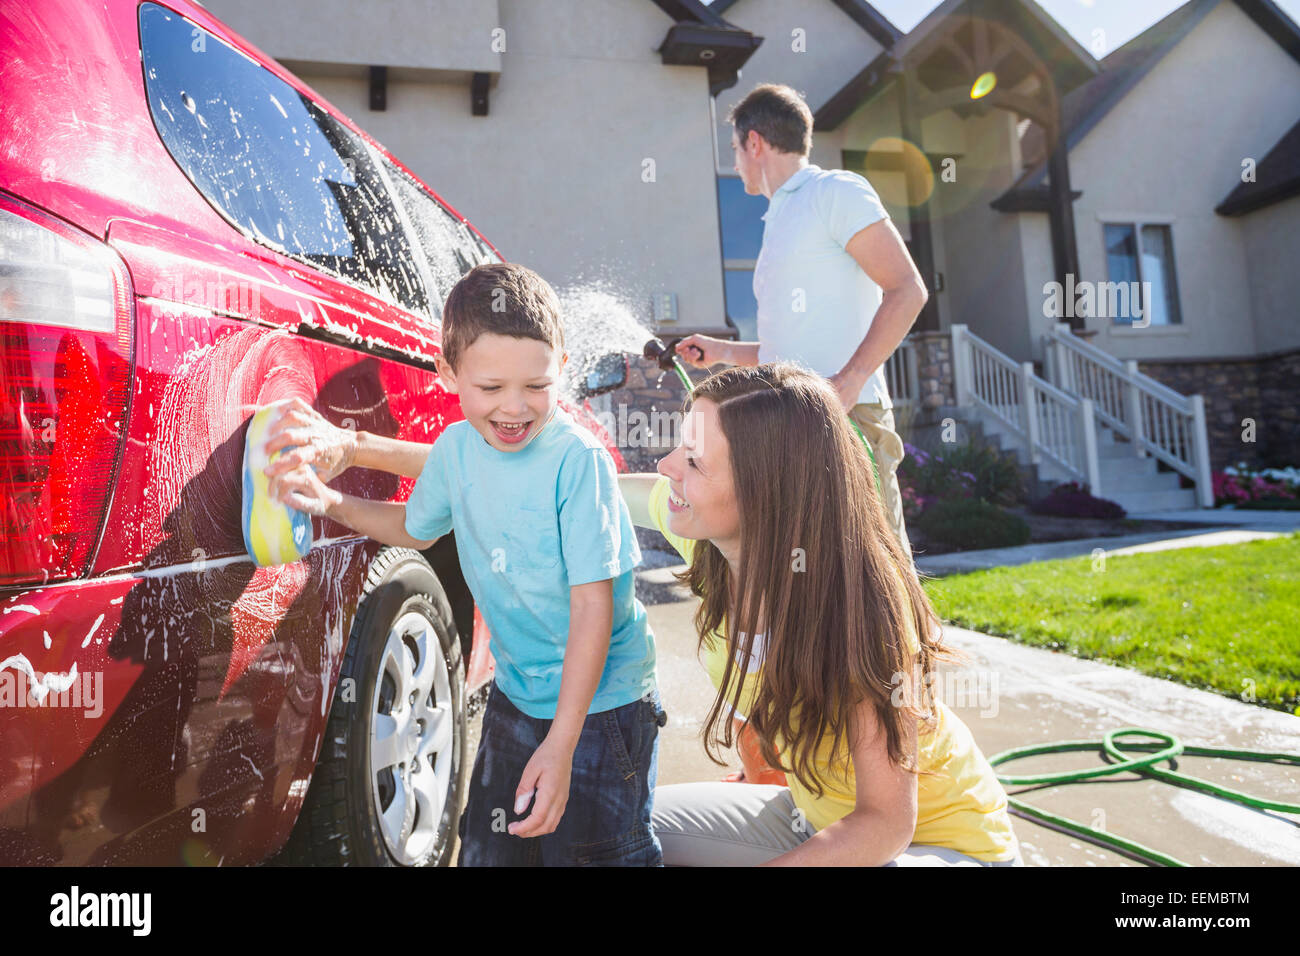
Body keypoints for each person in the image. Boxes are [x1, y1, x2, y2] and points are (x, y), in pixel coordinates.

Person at [264, 262, 664, 866]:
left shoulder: (576, 461)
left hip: (605, 709)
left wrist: (562, 744)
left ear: (559, 362)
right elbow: (411, 529)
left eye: (537, 385)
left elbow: (593, 606)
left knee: (595, 855)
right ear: (448, 371)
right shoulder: (456, 449)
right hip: (518, 694)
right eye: (491, 388)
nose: (514, 409)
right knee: (488, 848)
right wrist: (330, 502)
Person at [619, 363, 1024, 866]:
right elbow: (603, 491)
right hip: (813, 820)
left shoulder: (861, 607)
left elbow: (886, 821)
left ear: (766, 491)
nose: (666, 465)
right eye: (681, 445)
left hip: (939, 846)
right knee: (618, 830)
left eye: (694, 461)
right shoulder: (707, 536)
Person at [679, 82, 926, 565]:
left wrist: (849, 382)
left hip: (847, 417)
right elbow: (785, 346)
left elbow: (907, 289)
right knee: (813, 579)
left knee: (877, 573)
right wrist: (724, 351)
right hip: (790, 422)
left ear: (755, 142)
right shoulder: (779, 220)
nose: (735, 163)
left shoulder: (833, 191)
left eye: (735, 149)